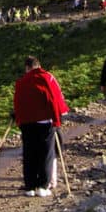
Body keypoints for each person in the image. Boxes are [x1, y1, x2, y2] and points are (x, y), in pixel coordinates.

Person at [13, 56, 69, 197]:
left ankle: (30, 187)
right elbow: (56, 99)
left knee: (29, 153)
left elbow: (18, 102)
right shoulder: (47, 78)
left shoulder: (21, 82)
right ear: (39, 65)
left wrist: (17, 117)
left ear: (27, 68)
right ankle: (43, 186)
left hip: (27, 123)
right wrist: (58, 119)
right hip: (45, 122)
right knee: (46, 154)